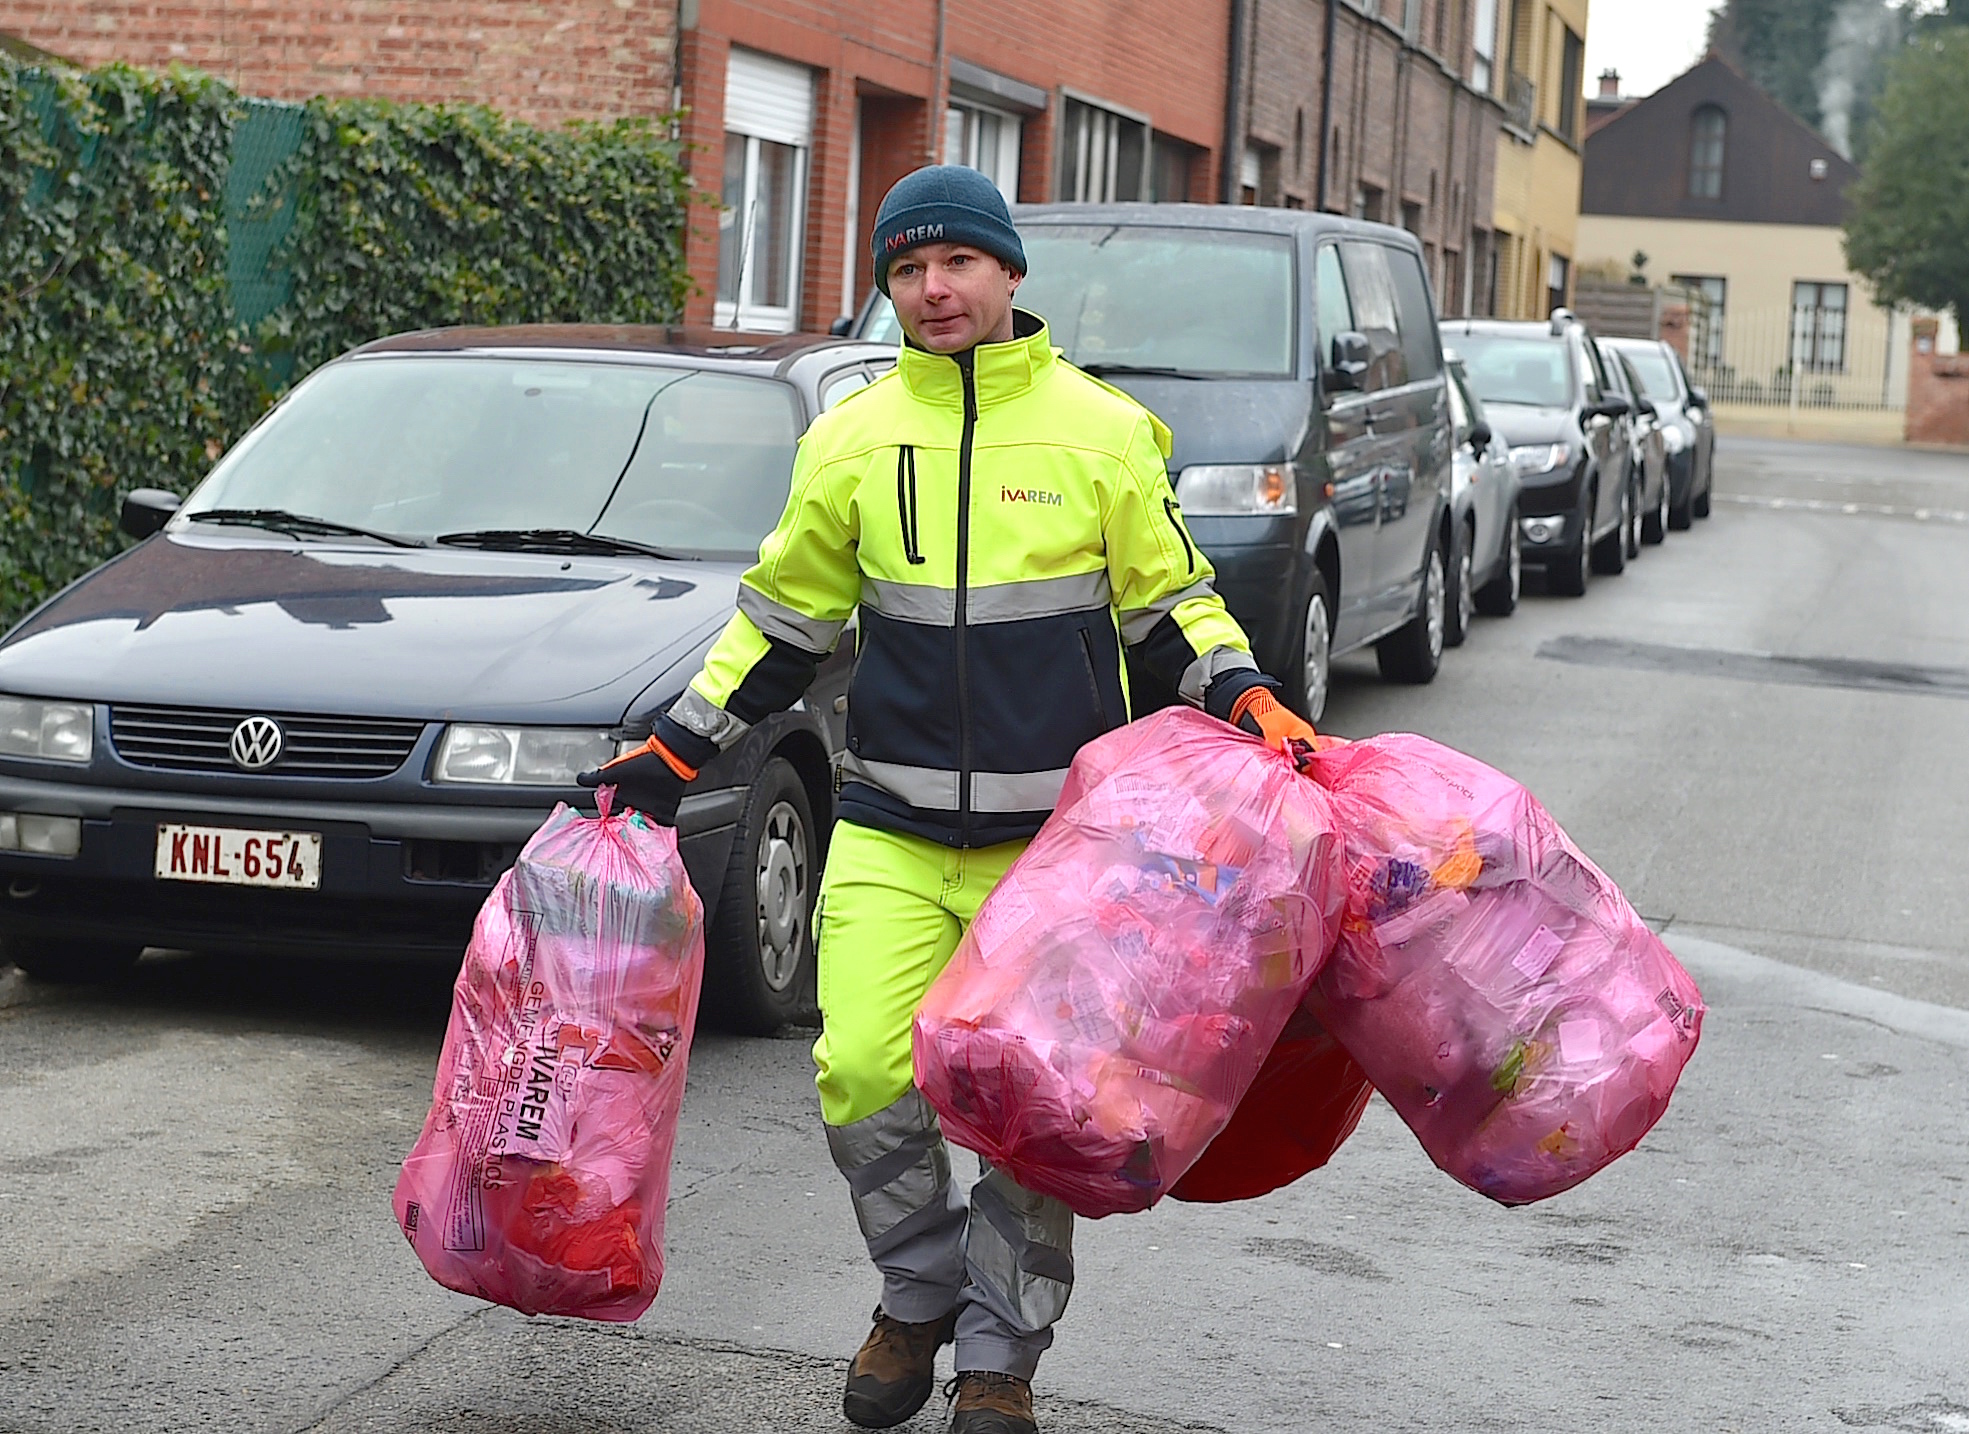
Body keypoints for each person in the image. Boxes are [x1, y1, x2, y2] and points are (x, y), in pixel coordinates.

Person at [582, 165, 1318, 1434]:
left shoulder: (1100, 430)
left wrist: (1244, 688)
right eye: (909, 269)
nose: (935, 288)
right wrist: (680, 748)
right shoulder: (852, 439)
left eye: (959, 264)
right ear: (887, 287)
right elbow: (785, 622)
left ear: (1009, 274)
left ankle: (998, 1357)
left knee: (1035, 1114)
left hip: (1057, 851)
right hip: (887, 826)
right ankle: (917, 1294)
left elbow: (1168, 599)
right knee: (861, 1072)